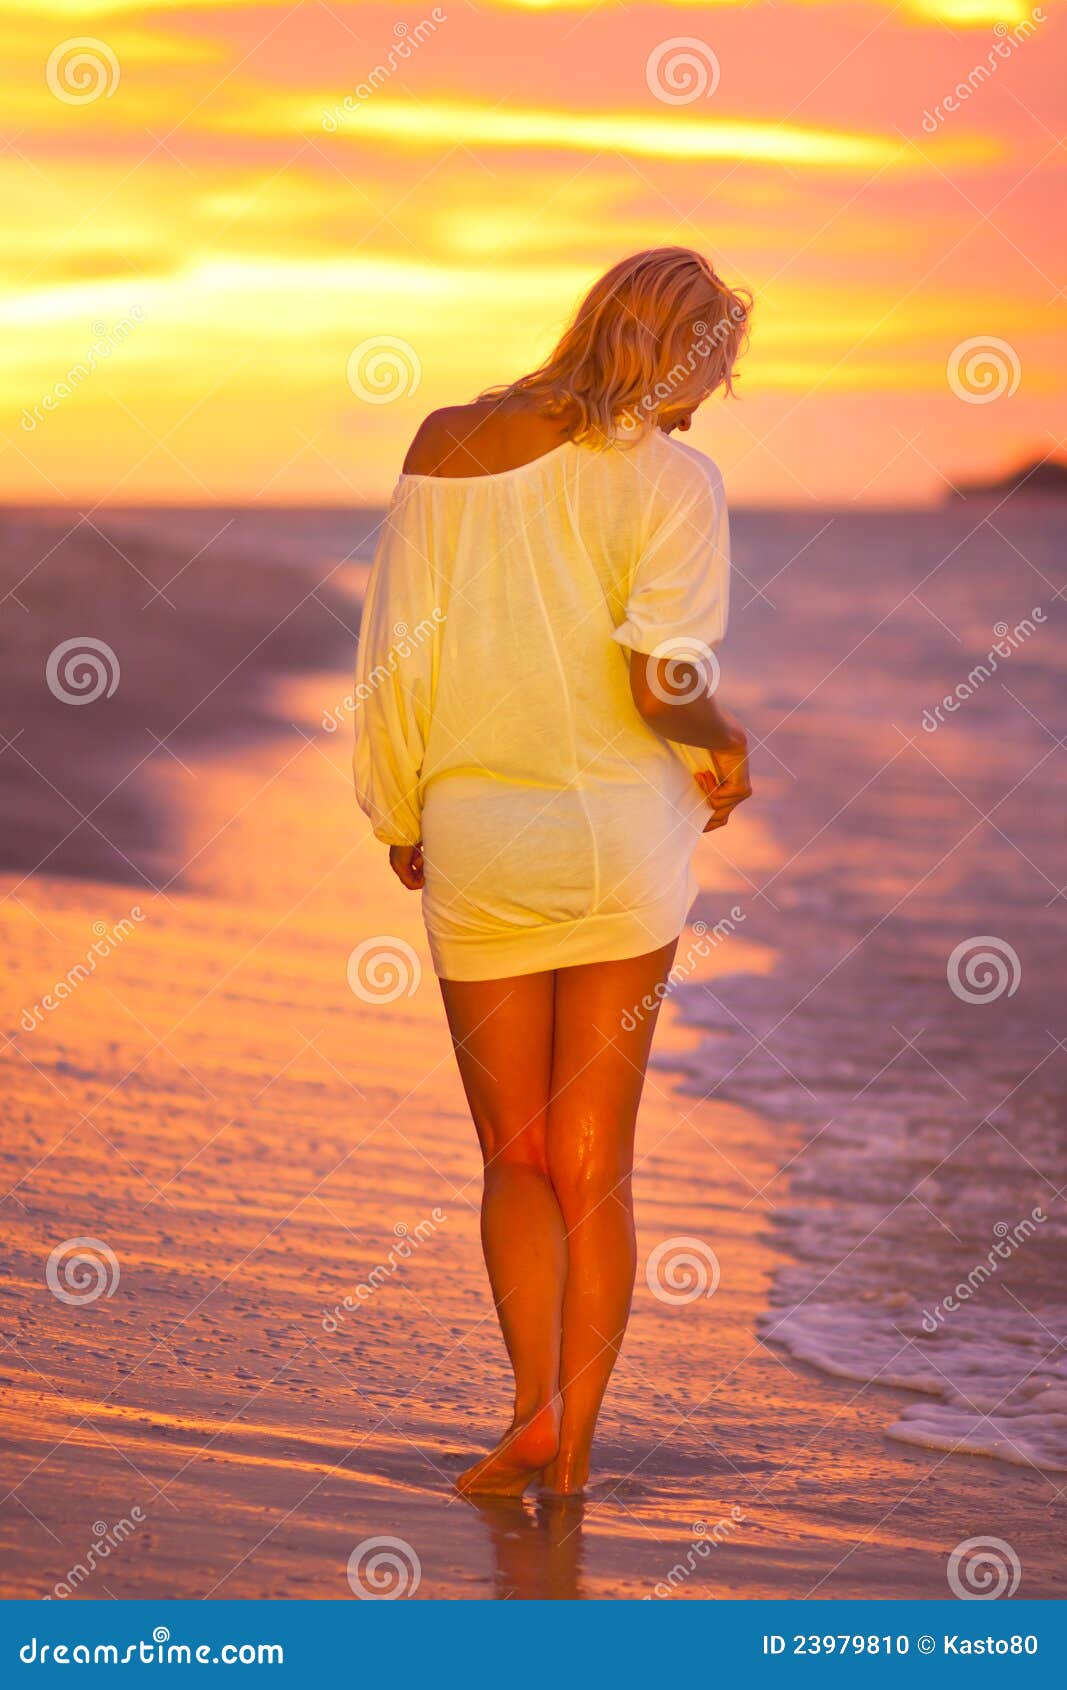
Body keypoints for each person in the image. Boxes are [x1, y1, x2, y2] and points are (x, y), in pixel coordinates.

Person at [354, 247, 752, 1495]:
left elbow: (393, 657)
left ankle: (528, 1407)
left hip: (478, 835)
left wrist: (398, 804)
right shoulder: (674, 480)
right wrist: (724, 743)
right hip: (619, 844)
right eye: (708, 376)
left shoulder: (442, 444)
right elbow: (661, 684)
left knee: (511, 1153)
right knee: (598, 1165)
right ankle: (570, 1452)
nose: (700, 408)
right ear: (675, 358)